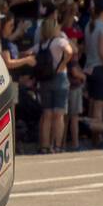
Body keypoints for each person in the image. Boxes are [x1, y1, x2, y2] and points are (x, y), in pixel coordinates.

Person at [33, 16, 72, 154]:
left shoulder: (41, 45)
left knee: (47, 114)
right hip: (59, 78)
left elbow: (28, 54)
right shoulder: (59, 41)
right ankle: (58, 146)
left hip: (44, 80)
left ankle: (45, 146)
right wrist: (63, 64)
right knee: (59, 114)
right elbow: (69, 51)